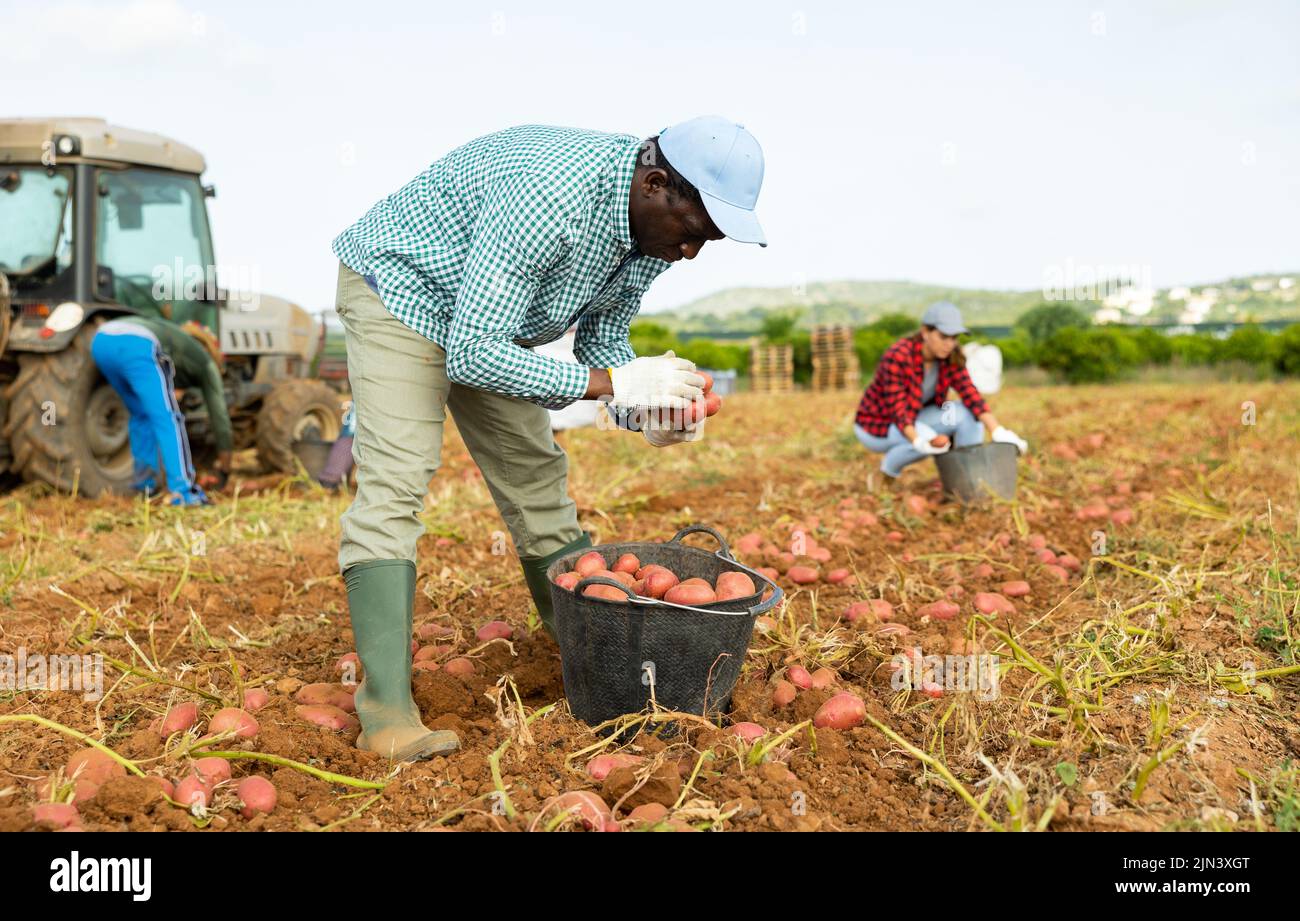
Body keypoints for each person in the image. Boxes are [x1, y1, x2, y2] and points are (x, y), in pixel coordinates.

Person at [331, 117, 767, 762]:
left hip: (489, 325)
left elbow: (602, 351)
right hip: (404, 296)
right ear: (655, 184)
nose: (692, 253)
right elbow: (476, 354)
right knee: (397, 485)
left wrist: (643, 410)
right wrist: (615, 381)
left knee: (538, 483)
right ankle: (387, 713)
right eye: (696, 232)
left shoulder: (647, 238)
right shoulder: (550, 197)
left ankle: (593, 652)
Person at [853, 301, 1028, 479]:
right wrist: (919, 441)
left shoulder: (950, 357)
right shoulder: (899, 356)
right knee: (932, 439)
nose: (949, 344)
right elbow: (899, 411)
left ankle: (968, 479)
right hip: (878, 425)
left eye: (954, 338)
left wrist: (998, 431)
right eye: (944, 337)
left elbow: (970, 395)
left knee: (968, 415)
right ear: (925, 332)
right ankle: (887, 472)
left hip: (915, 417)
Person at [90, 316, 232, 506]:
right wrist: (226, 466)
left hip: (101, 341)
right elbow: (220, 416)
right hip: (136, 344)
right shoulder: (206, 362)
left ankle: (145, 487)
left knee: (141, 415)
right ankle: (183, 493)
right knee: (168, 418)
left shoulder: (174, 338)